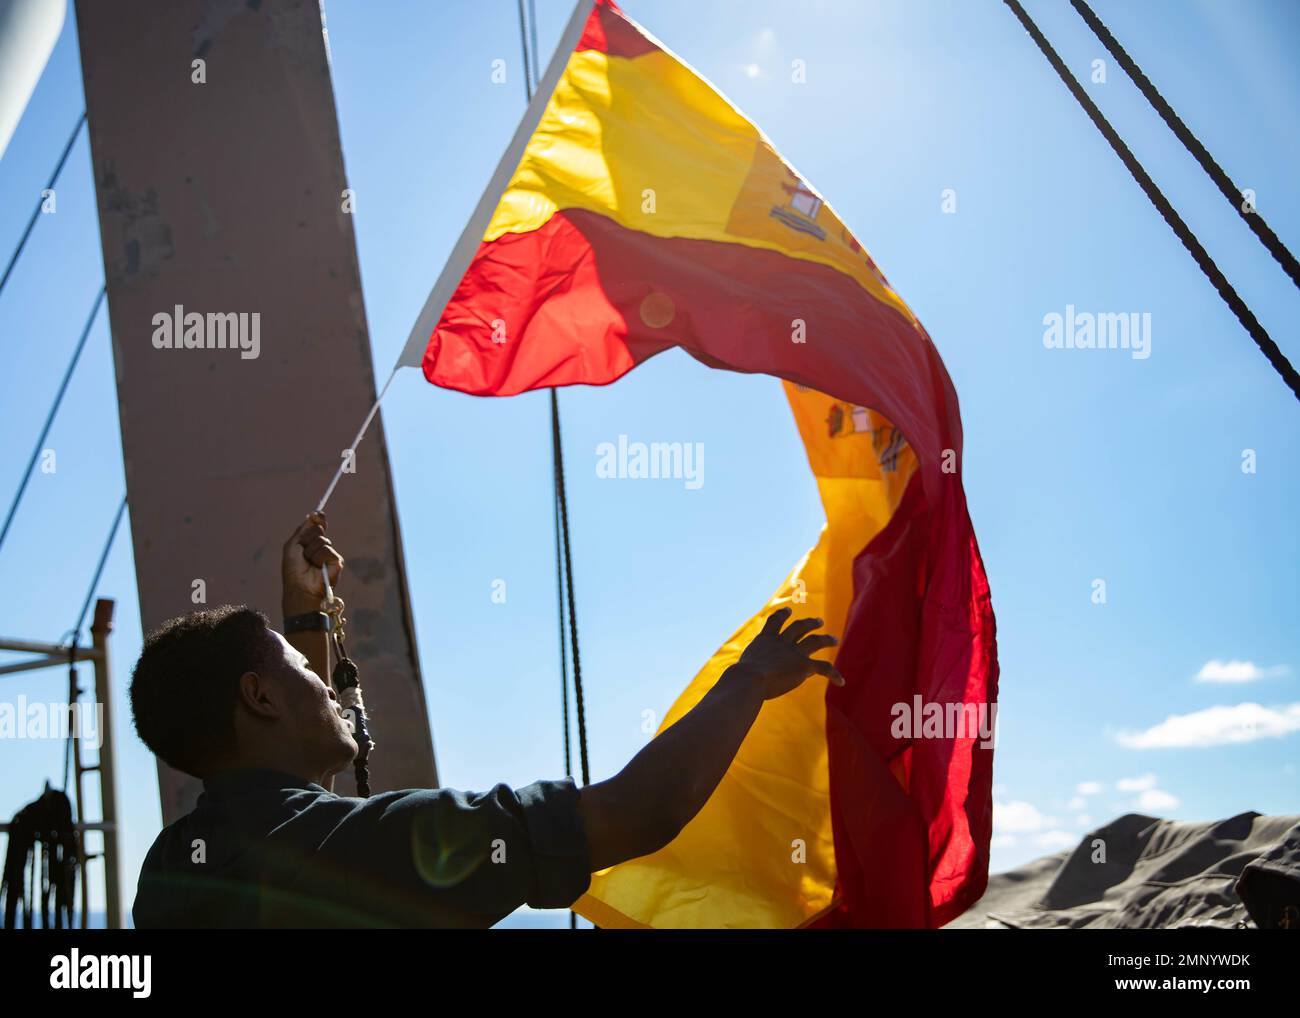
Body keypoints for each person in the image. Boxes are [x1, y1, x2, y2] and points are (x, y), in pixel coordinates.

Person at [129, 513, 844, 928]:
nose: (329, 684)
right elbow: (639, 812)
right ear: (259, 700)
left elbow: (296, 790)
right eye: (310, 673)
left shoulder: (168, 873)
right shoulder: (380, 848)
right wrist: (746, 682)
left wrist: (306, 619)